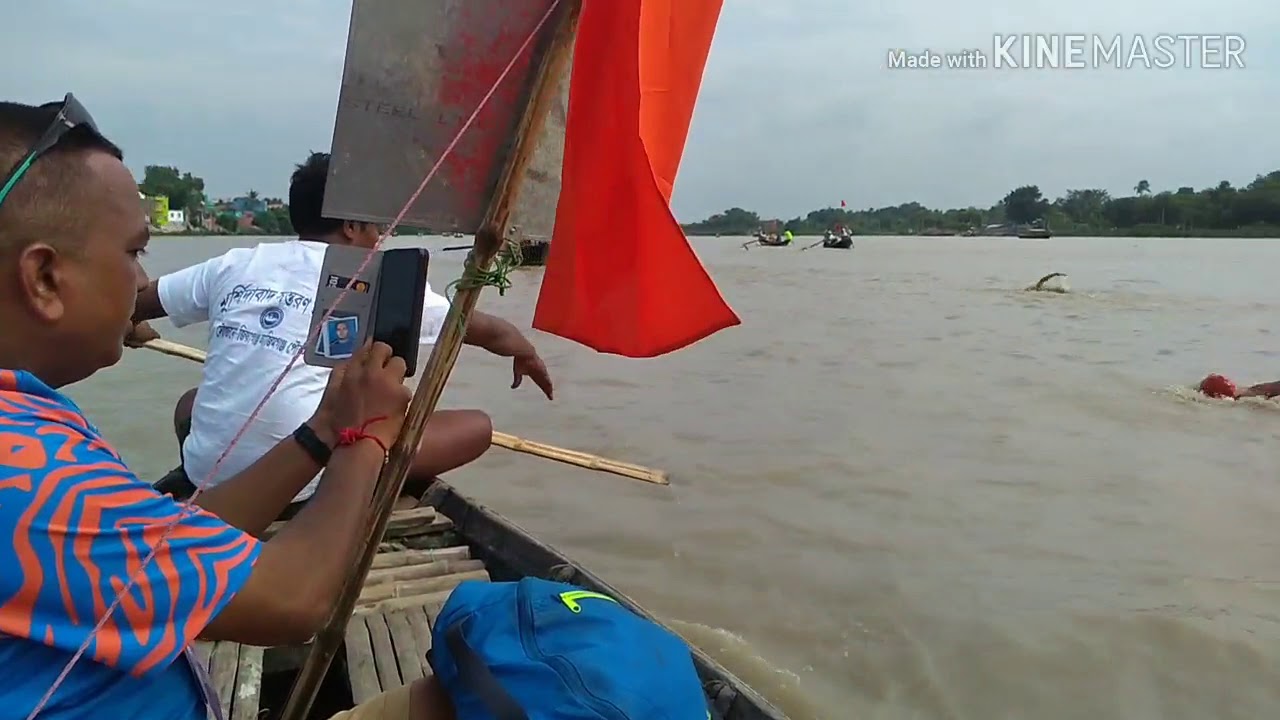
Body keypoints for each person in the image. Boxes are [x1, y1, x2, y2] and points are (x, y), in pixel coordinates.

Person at [0, 96, 454, 719]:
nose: (141, 284)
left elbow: (182, 531)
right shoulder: (26, 475)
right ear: (45, 279)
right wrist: (366, 439)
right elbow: (294, 601)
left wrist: (324, 429)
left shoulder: (32, 423)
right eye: (134, 252)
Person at [130, 152, 553, 515]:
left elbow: (136, 300)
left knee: (191, 403)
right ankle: (348, 486)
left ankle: (208, 478)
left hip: (208, 473)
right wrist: (526, 352)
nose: (380, 235)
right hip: (306, 475)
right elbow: (476, 328)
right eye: (375, 225)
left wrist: (132, 326)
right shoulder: (375, 275)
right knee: (477, 427)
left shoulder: (235, 262)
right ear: (350, 224)